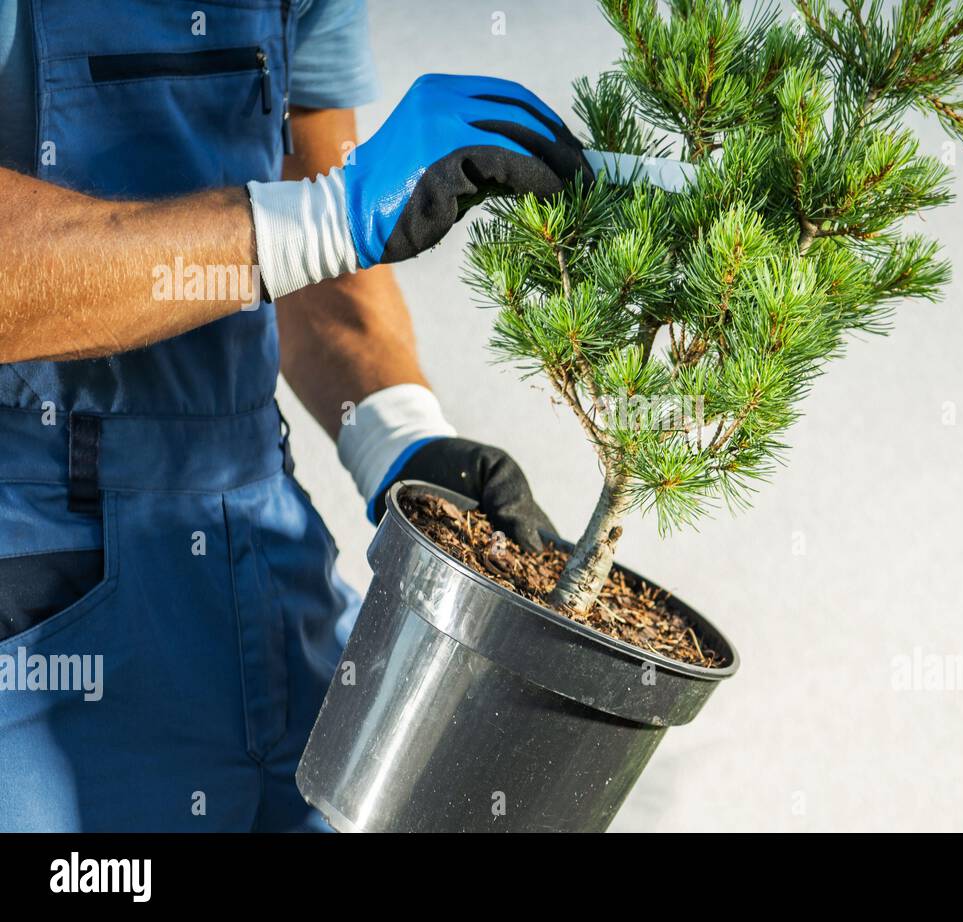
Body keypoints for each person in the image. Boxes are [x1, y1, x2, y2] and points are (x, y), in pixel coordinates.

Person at [0, 0, 582, 830]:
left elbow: (320, 215)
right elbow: (315, 220)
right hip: (47, 571)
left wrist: (400, 434)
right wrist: (325, 218)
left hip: (262, 539)